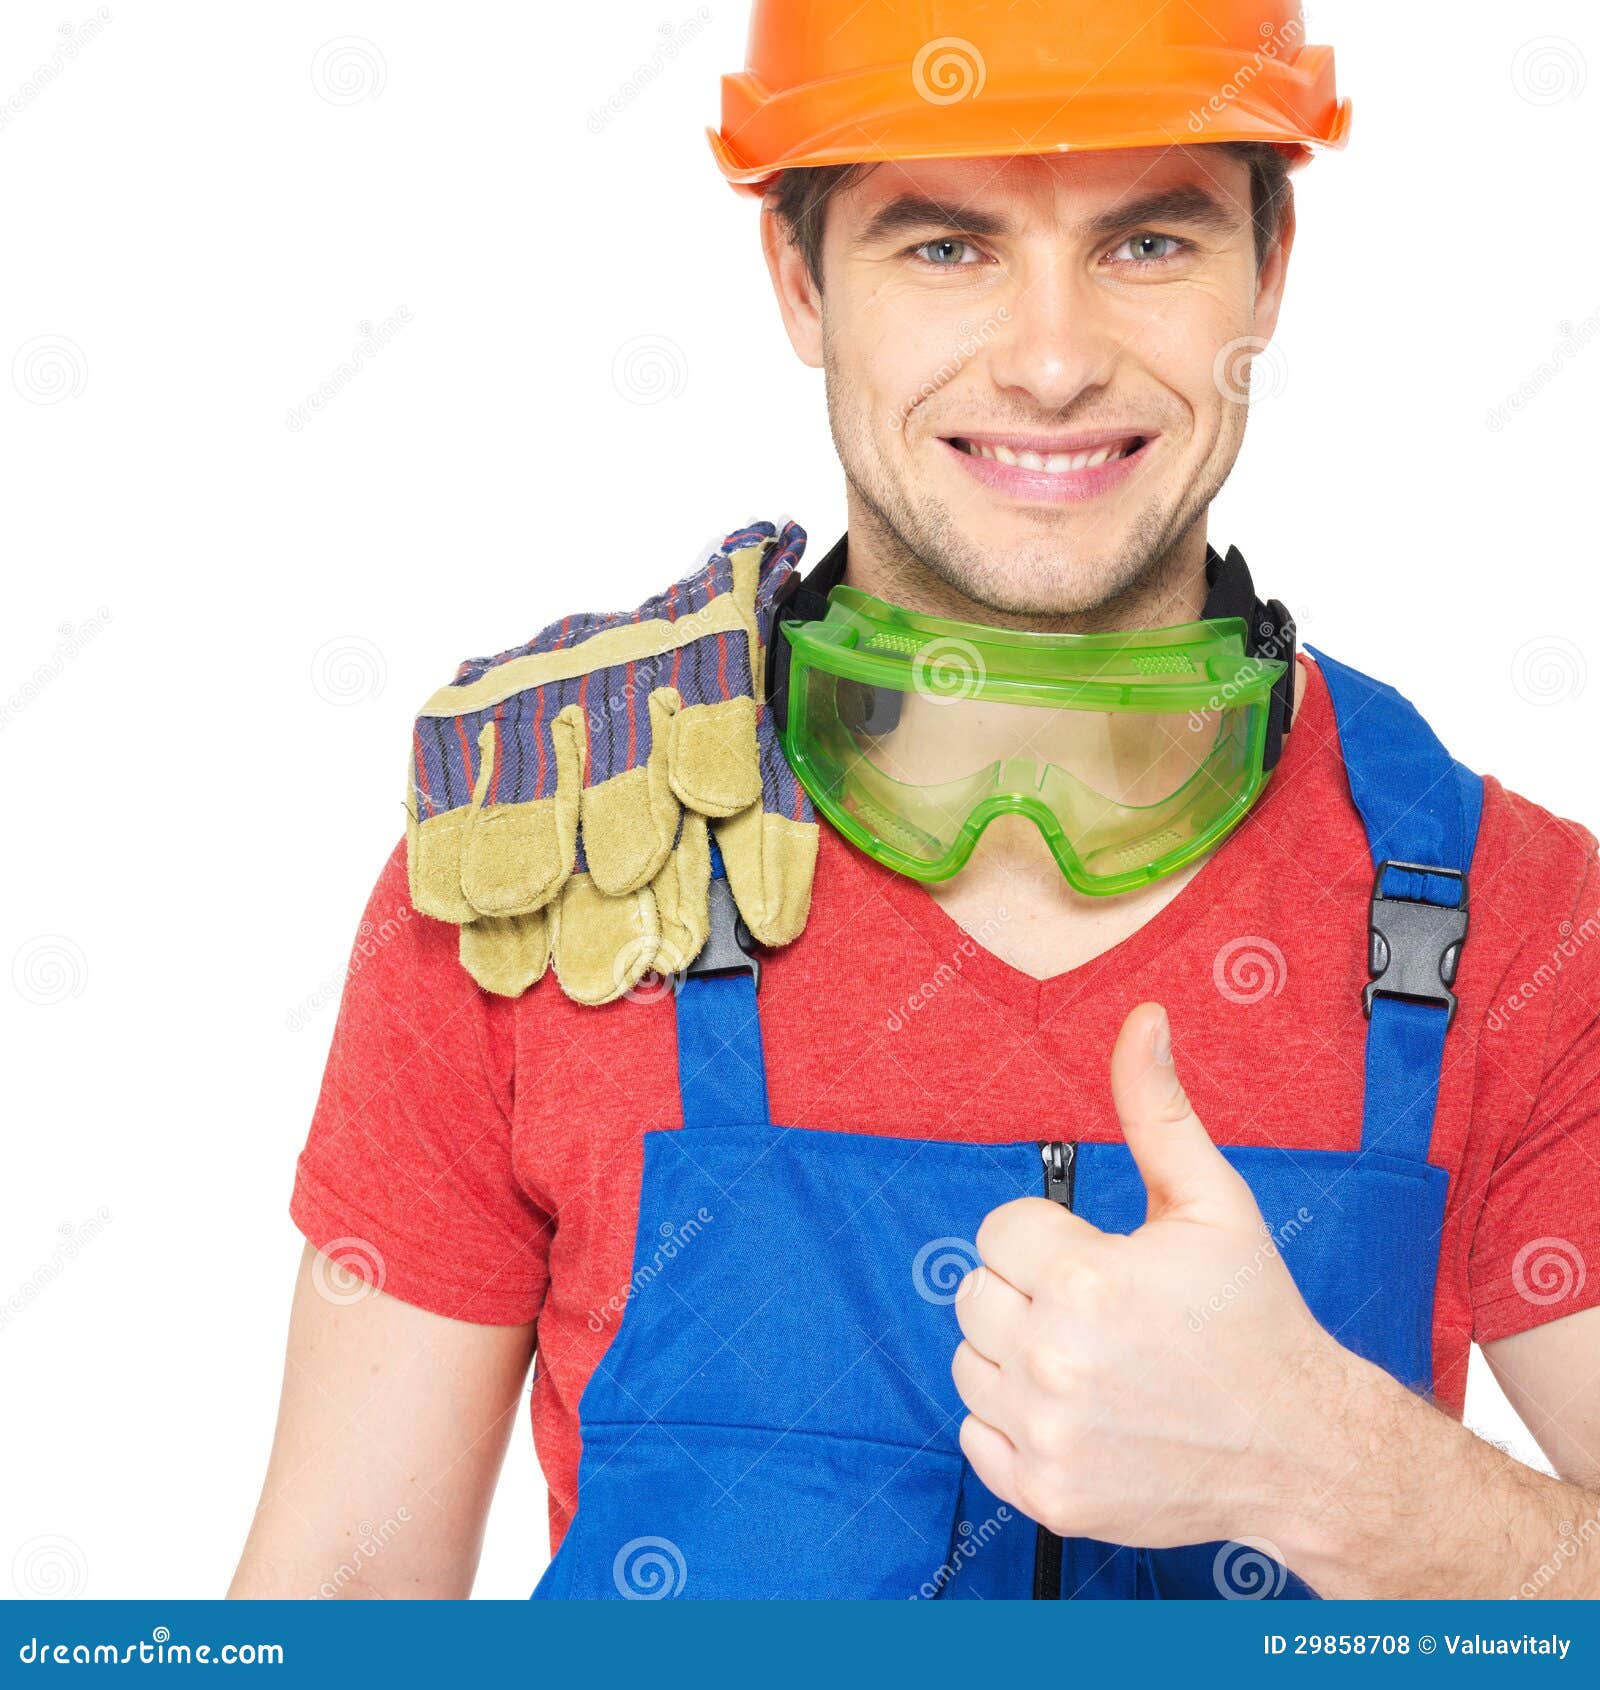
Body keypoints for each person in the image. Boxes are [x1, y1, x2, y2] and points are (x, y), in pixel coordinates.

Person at [232, 0, 1600, 1601]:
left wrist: (1343, 1471)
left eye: (1149, 242)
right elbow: (337, 1605)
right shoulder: (558, 877)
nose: (1052, 361)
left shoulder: (1509, 918)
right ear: (800, 279)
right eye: (946, 246)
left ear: (1270, 265)